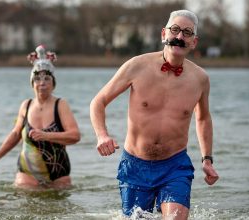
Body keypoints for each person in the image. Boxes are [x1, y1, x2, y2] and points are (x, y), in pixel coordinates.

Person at [90, 10, 219, 219]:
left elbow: (203, 118)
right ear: (163, 34)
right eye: (175, 30)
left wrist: (207, 159)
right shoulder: (136, 66)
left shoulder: (200, 79)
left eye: (186, 33)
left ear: (194, 42)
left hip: (175, 165)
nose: (179, 37)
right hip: (135, 165)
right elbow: (98, 102)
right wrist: (102, 135)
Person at [0, 45, 81, 190]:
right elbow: (16, 134)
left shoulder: (61, 105)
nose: (42, 83)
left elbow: (75, 136)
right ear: (32, 83)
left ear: (53, 84)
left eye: (47, 78)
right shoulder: (26, 105)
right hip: (27, 172)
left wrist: (46, 136)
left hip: (58, 172)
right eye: (37, 79)